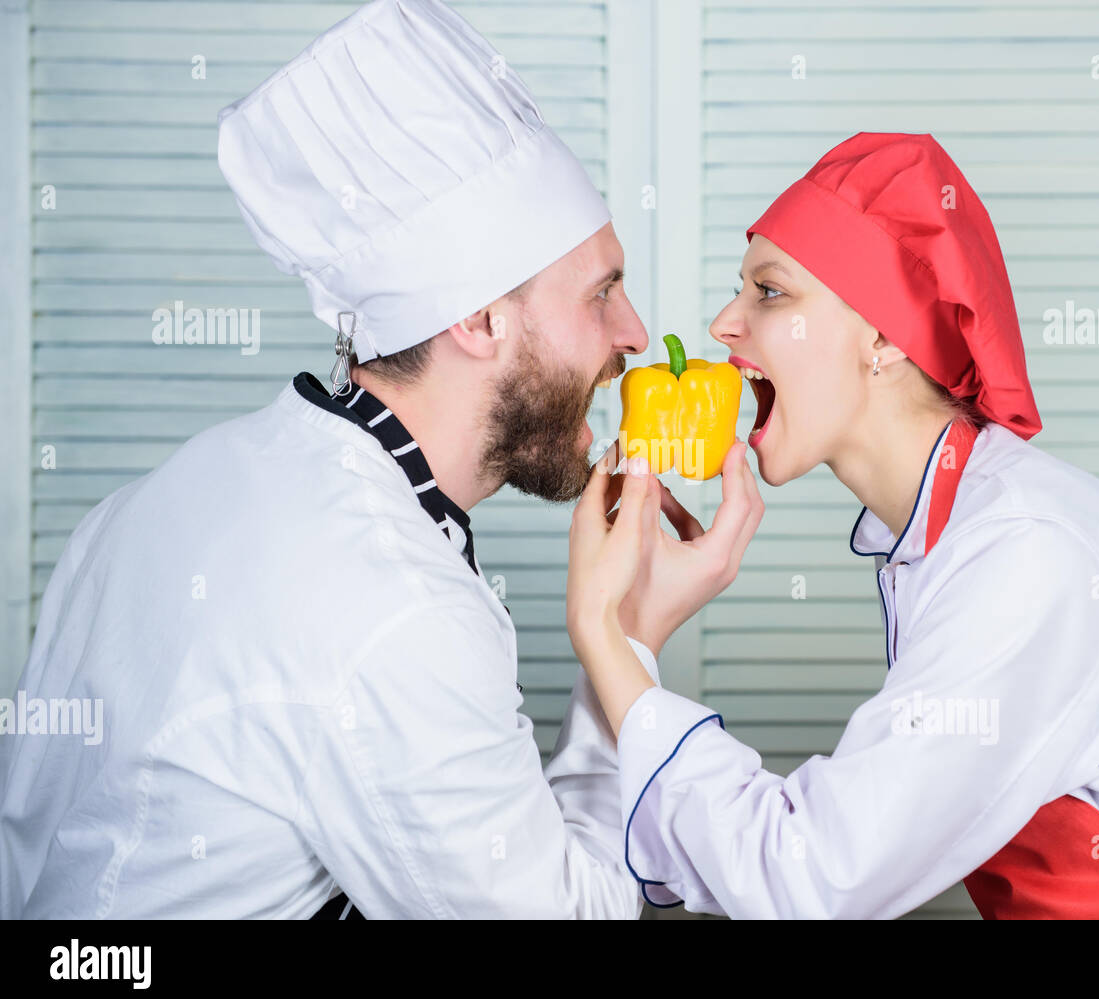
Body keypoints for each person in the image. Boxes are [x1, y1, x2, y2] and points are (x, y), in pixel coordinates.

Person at [0, 0, 748, 920]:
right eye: (601, 292)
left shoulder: (157, 497)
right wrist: (623, 633)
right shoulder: (397, 609)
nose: (634, 332)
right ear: (478, 318)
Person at [566, 132, 1099, 919]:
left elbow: (807, 881)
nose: (723, 324)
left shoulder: (1029, 556)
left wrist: (605, 632)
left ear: (884, 336)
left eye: (769, 292)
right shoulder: (949, 534)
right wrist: (635, 631)